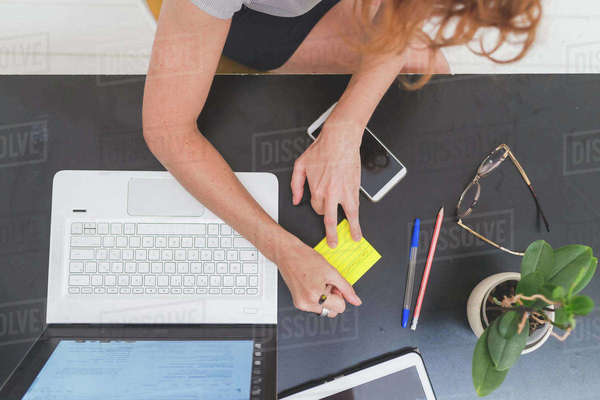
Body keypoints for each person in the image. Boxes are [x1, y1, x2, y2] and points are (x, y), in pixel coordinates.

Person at [142, 0, 541, 318]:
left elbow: (398, 17)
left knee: (426, 65)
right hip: (257, 20)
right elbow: (168, 132)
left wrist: (345, 129)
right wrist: (285, 251)